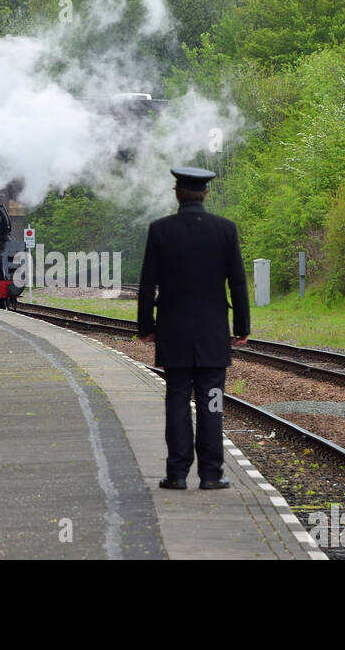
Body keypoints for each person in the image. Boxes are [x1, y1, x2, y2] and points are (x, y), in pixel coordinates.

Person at [137, 166, 250, 491]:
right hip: (214, 335)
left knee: (176, 400)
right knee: (212, 401)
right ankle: (212, 474)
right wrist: (241, 326)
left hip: (174, 333)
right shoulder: (225, 230)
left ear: (177, 193)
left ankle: (177, 474)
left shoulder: (160, 230)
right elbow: (238, 285)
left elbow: (147, 286)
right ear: (206, 193)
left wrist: (146, 326)